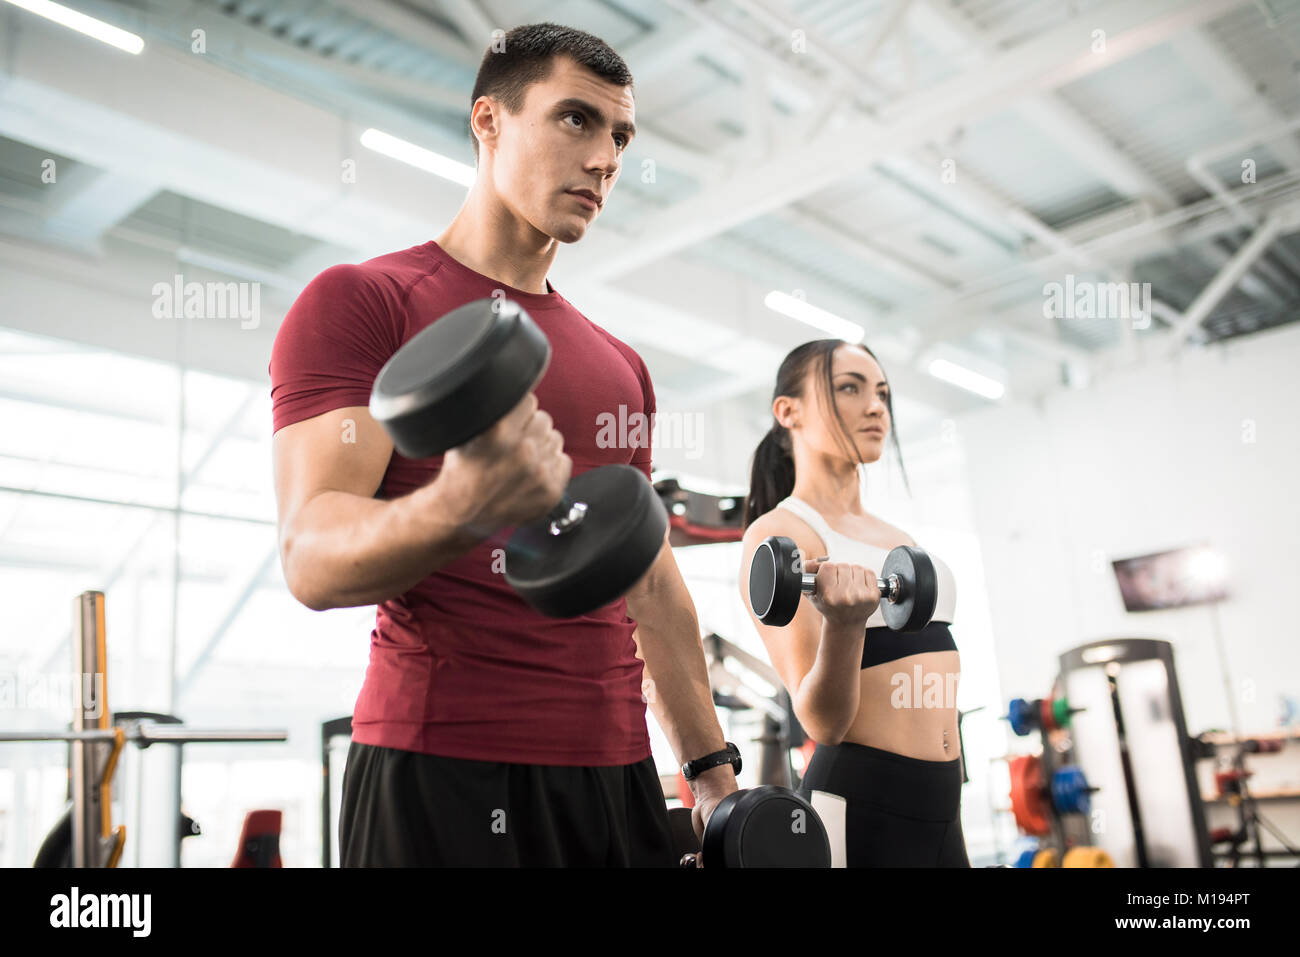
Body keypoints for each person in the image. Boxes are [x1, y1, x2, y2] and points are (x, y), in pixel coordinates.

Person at [270, 22, 737, 867]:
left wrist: (711, 775)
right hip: (441, 767)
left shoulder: (621, 364)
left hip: (616, 777)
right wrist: (459, 503)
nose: (605, 160)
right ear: (487, 120)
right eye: (575, 120)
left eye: (620, 136)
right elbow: (311, 555)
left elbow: (653, 585)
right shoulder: (365, 302)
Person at [738, 339, 969, 866]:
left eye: (883, 394)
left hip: (942, 801)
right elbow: (822, 722)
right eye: (849, 388)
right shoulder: (782, 534)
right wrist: (844, 625)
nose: (875, 407)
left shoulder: (899, 536)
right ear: (787, 411)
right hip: (863, 801)